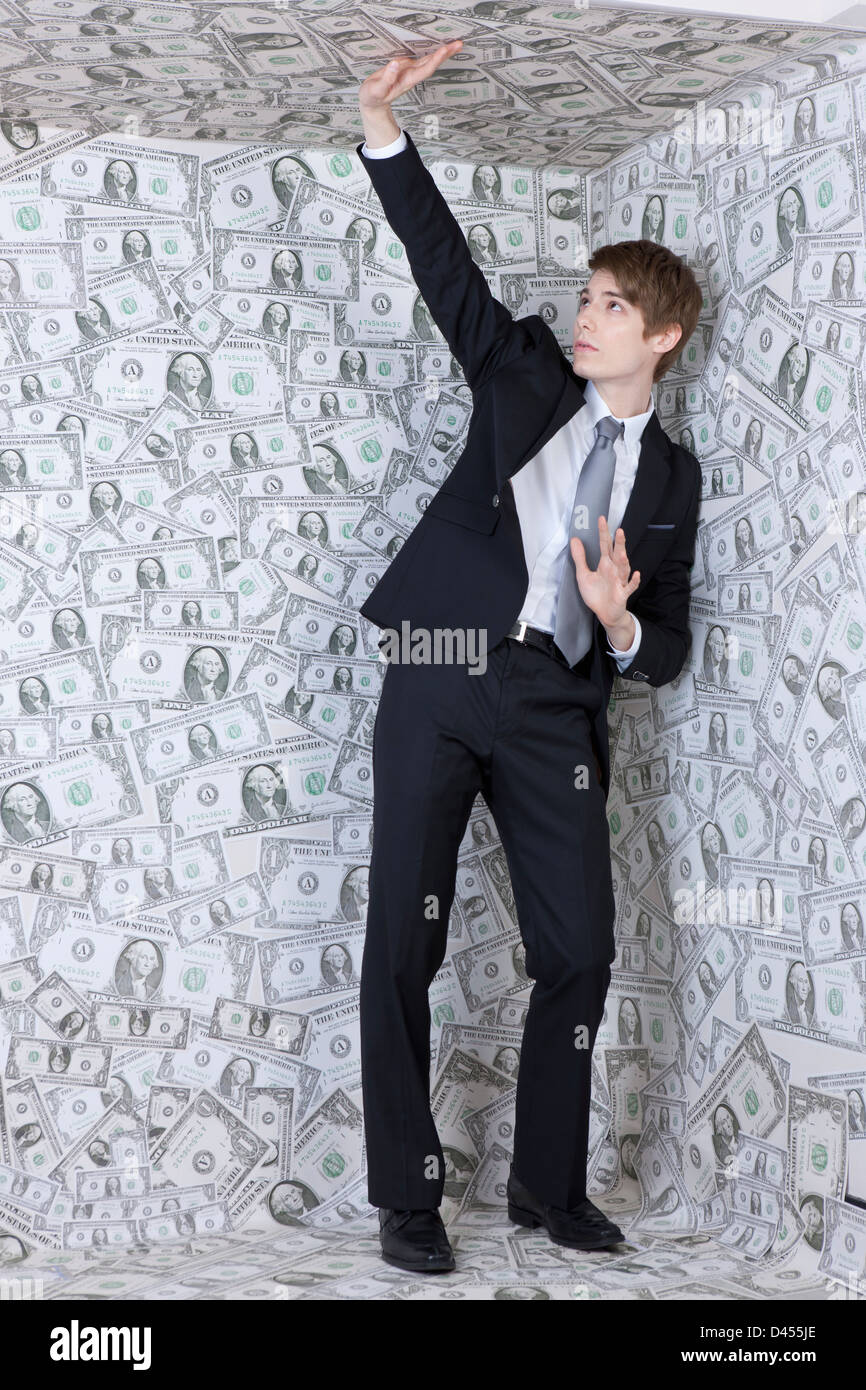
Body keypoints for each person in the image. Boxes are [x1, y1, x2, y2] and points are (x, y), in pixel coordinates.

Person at [356, 43, 702, 1275]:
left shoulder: (670, 476)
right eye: (584, 294)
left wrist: (614, 619)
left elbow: (662, 647)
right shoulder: (514, 376)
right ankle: (407, 1195)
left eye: (608, 303)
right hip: (443, 665)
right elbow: (440, 265)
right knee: (406, 929)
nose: (582, 313)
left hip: (556, 702)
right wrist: (383, 124)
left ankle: (547, 1191)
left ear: (658, 336)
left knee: (580, 951)